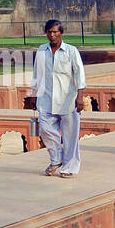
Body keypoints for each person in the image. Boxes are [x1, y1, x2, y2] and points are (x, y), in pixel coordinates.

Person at [29, 20, 86, 178]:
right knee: (45, 130)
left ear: (61, 33)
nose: (52, 35)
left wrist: (80, 98)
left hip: (68, 100)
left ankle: (69, 167)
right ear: (46, 33)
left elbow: (79, 75)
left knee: (70, 136)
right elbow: (37, 74)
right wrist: (33, 95)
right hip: (46, 98)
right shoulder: (42, 50)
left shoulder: (71, 51)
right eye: (49, 32)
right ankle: (56, 159)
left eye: (55, 32)